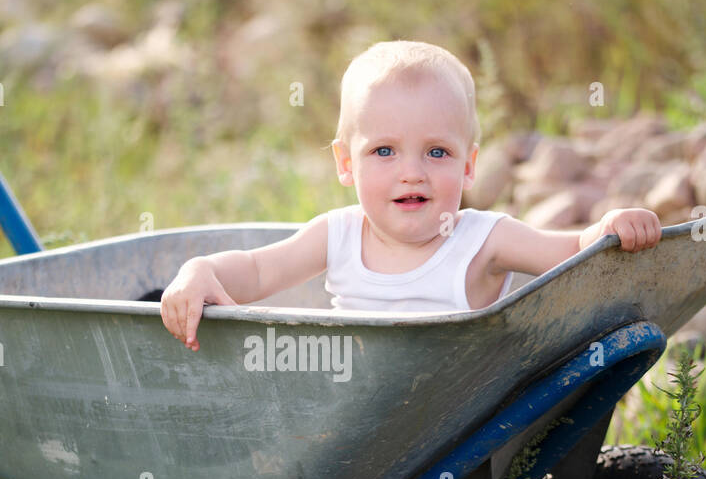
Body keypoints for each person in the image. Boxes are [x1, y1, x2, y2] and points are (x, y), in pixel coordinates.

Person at [160, 40, 661, 351]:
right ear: (345, 163)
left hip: (454, 429)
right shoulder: (336, 235)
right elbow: (256, 270)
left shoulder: (483, 240)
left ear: (469, 165)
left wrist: (607, 227)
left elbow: (570, 253)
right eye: (384, 151)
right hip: (347, 420)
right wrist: (200, 272)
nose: (412, 174)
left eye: (437, 153)